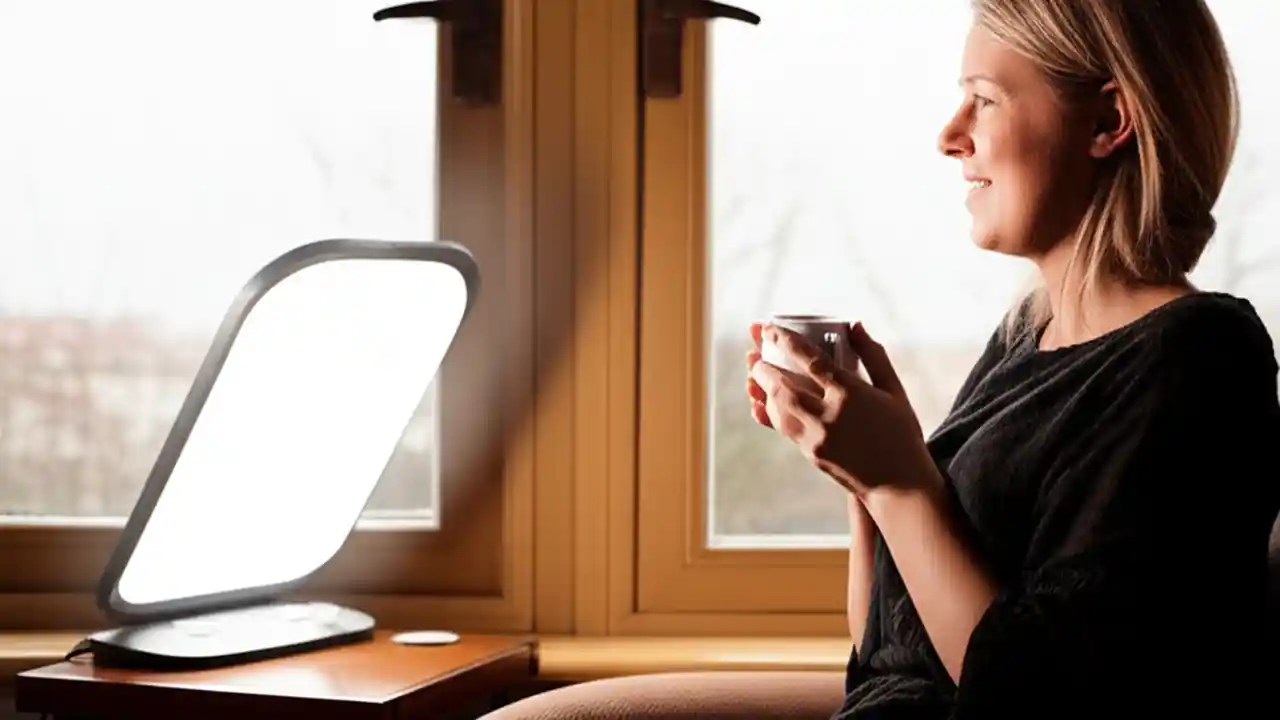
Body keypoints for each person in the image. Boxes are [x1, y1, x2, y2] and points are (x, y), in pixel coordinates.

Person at [746, 0, 1280, 717]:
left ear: (1107, 122)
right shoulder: (1027, 335)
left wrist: (905, 482)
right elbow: (890, 654)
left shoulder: (1201, 359)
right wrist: (865, 479)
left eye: (984, 99)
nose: (949, 135)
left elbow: (1036, 698)